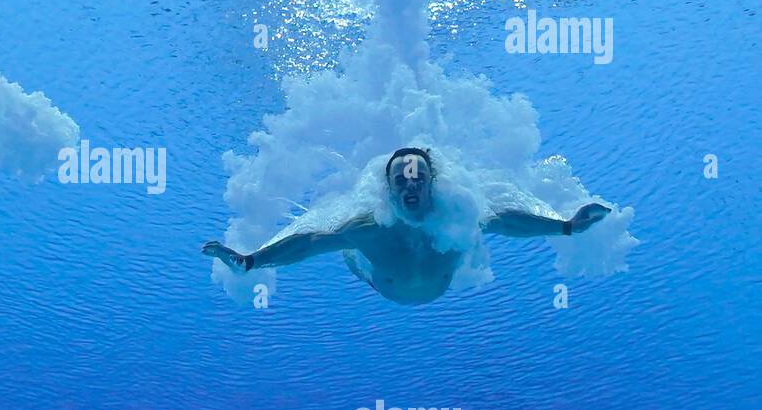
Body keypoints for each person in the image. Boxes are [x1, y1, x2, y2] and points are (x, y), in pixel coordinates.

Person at [202, 147, 610, 305]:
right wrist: (251, 261)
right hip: (379, 281)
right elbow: (307, 243)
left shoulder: (456, 219)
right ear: (389, 191)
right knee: (346, 246)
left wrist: (568, 227)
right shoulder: (369, 229)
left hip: (433, 281)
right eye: (401, 180)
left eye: (418, 178)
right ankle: (354, 262)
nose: (410, 183)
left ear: (434, 183)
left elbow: (507, 222)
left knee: (484, 223)